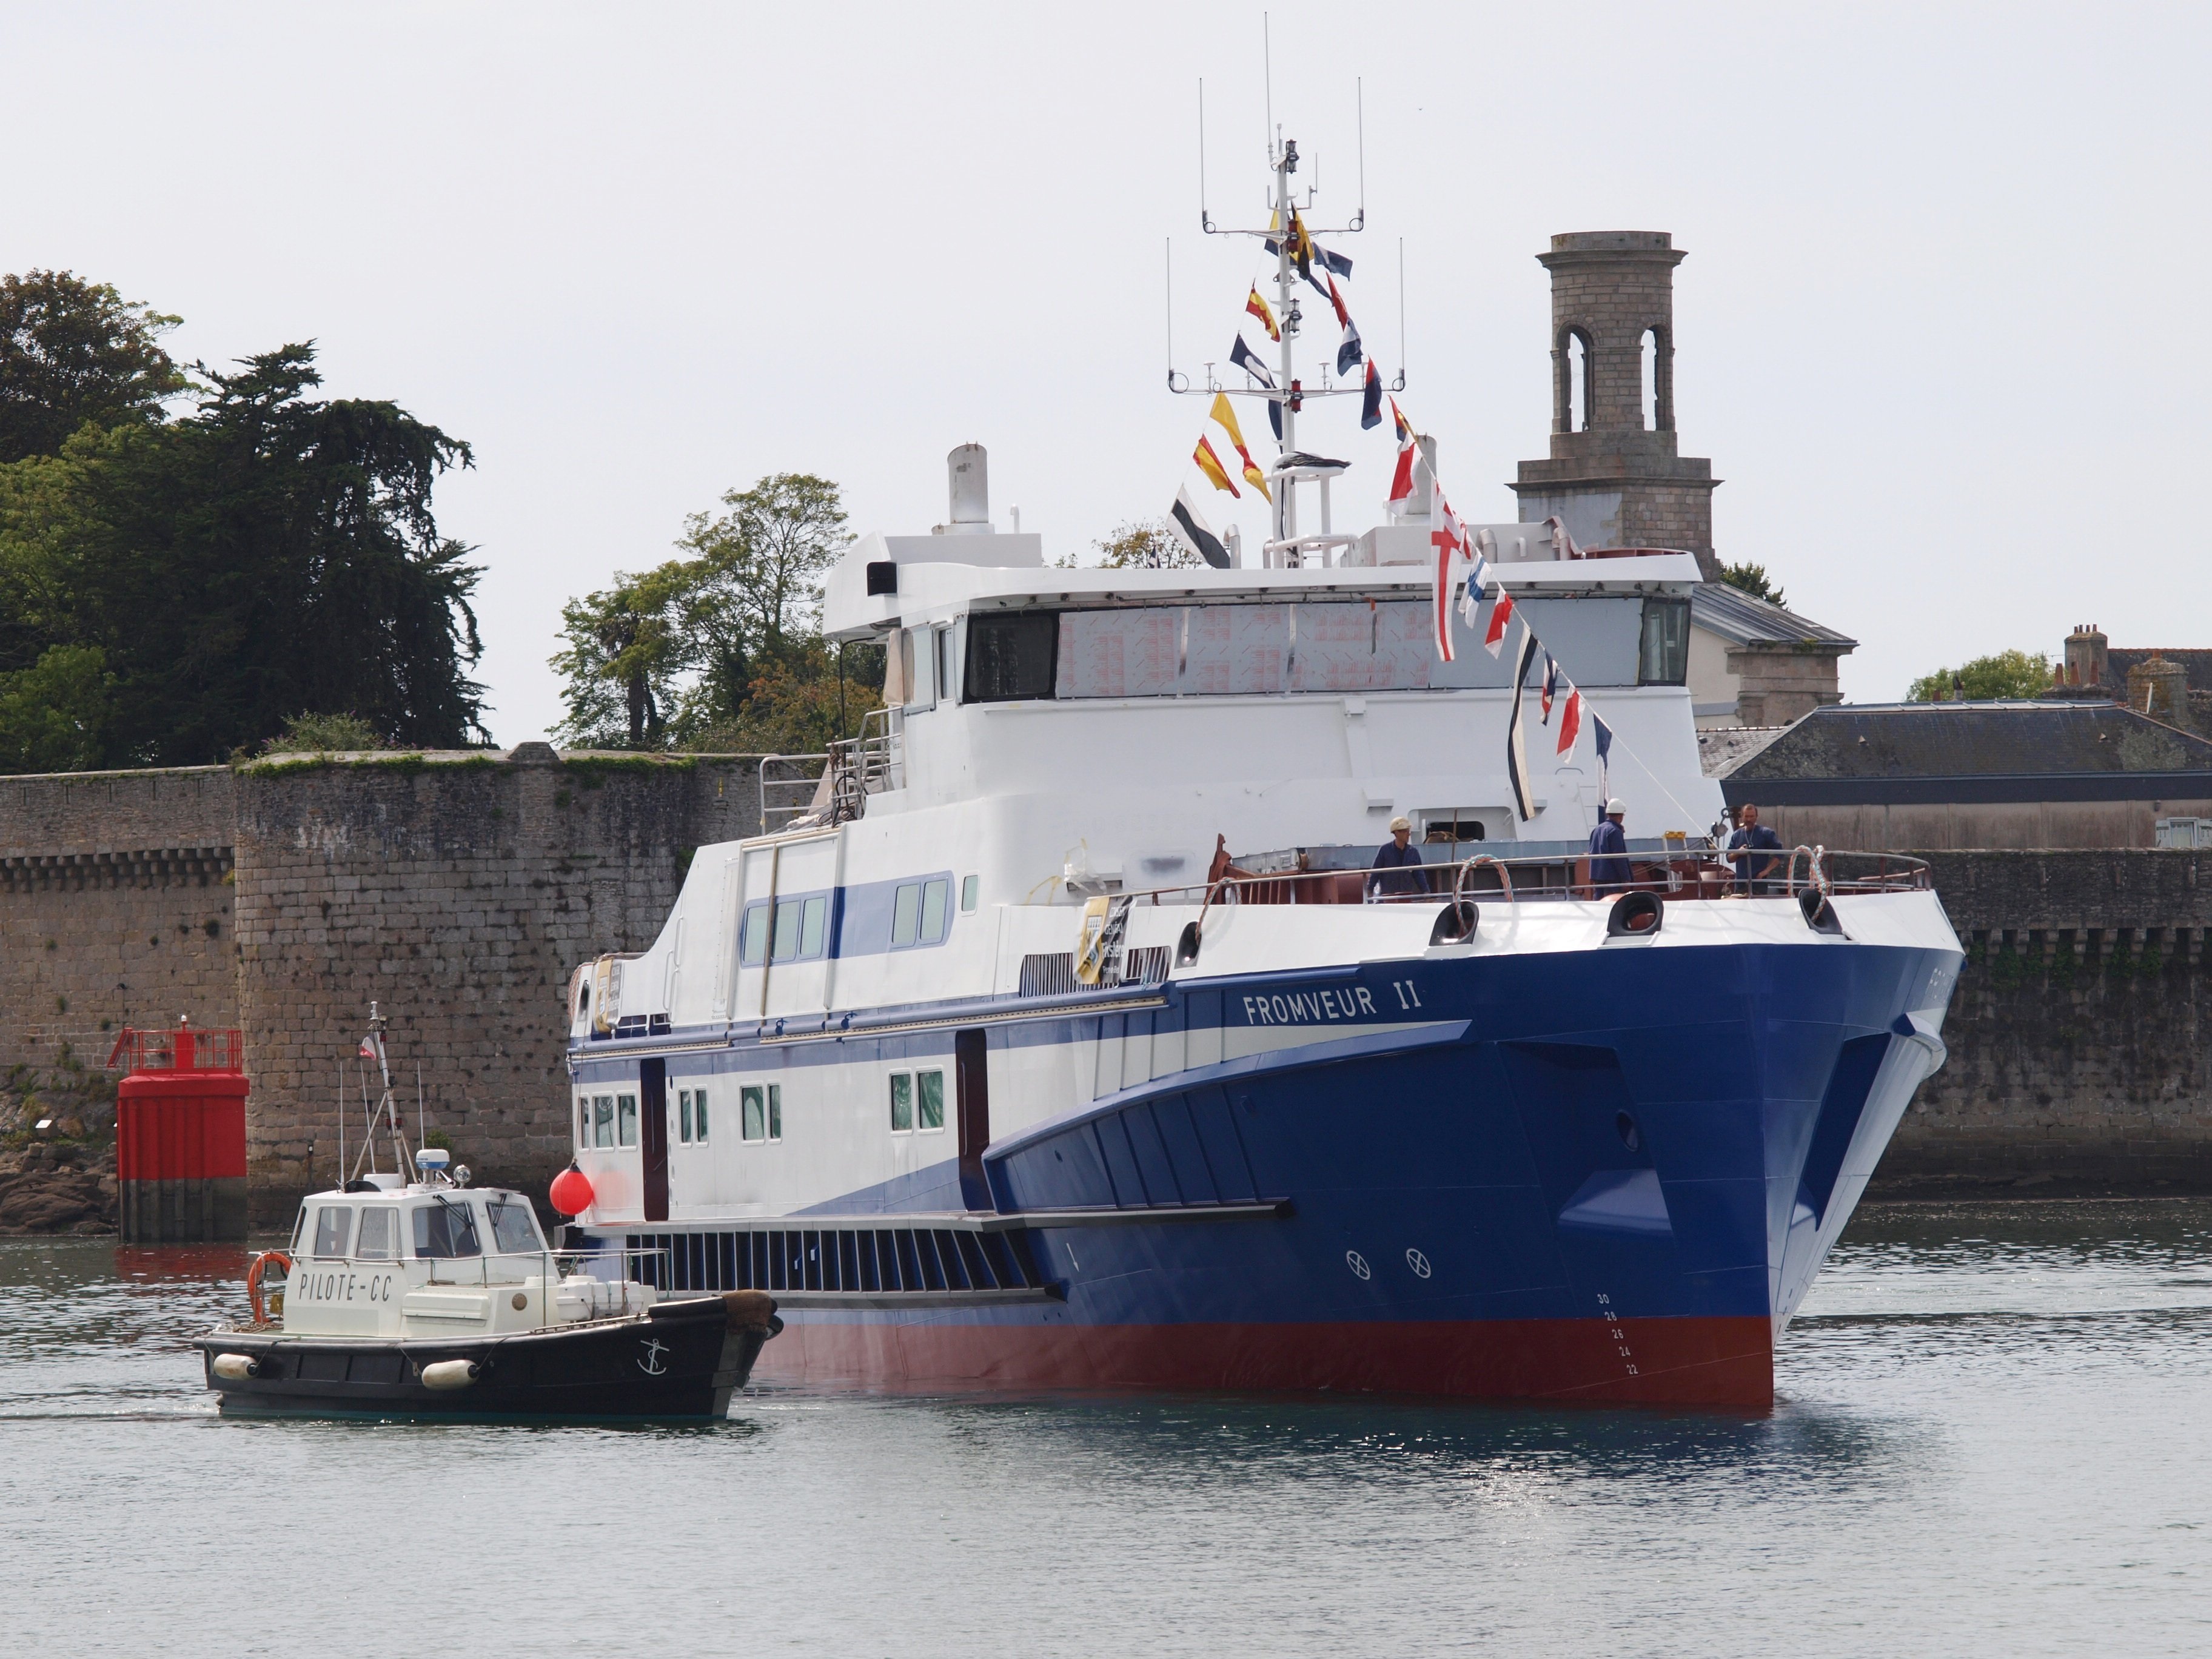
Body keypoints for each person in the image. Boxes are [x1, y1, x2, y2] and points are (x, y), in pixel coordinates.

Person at [1726, 802, 1785, 894]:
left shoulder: (1766, 833)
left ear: (1757, 816)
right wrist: (1738, 852)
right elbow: (1729, 858)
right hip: (1741, 883)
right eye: (1746, 816)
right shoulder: (1737, 835)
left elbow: (1780, 854)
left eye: (1752, 816)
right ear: (1742, 816)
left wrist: (1765, 872)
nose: (1749, 819)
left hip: (1759, 883)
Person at [1369, 815, 1430, 899]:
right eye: (1405, 831)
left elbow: (1419, 874)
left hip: (1406, 897)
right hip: (1388, 897)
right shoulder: (1384, 850)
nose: (1408, 834)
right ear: (1397, 833)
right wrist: (1369, 890)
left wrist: (1426, 892)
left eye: (1409, 831)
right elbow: (1375, 872)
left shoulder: (1413, 852)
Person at [1587, 799, 1631, 893]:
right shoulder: (1615, 831)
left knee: (1600, 905)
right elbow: (1619, 857)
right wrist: (1626, 879)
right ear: (1620, 816)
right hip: (1613, 878)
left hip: (1598, 877)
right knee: (1613, 905)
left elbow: (1592, 852)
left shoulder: (1597, 830)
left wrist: (1592, 876)